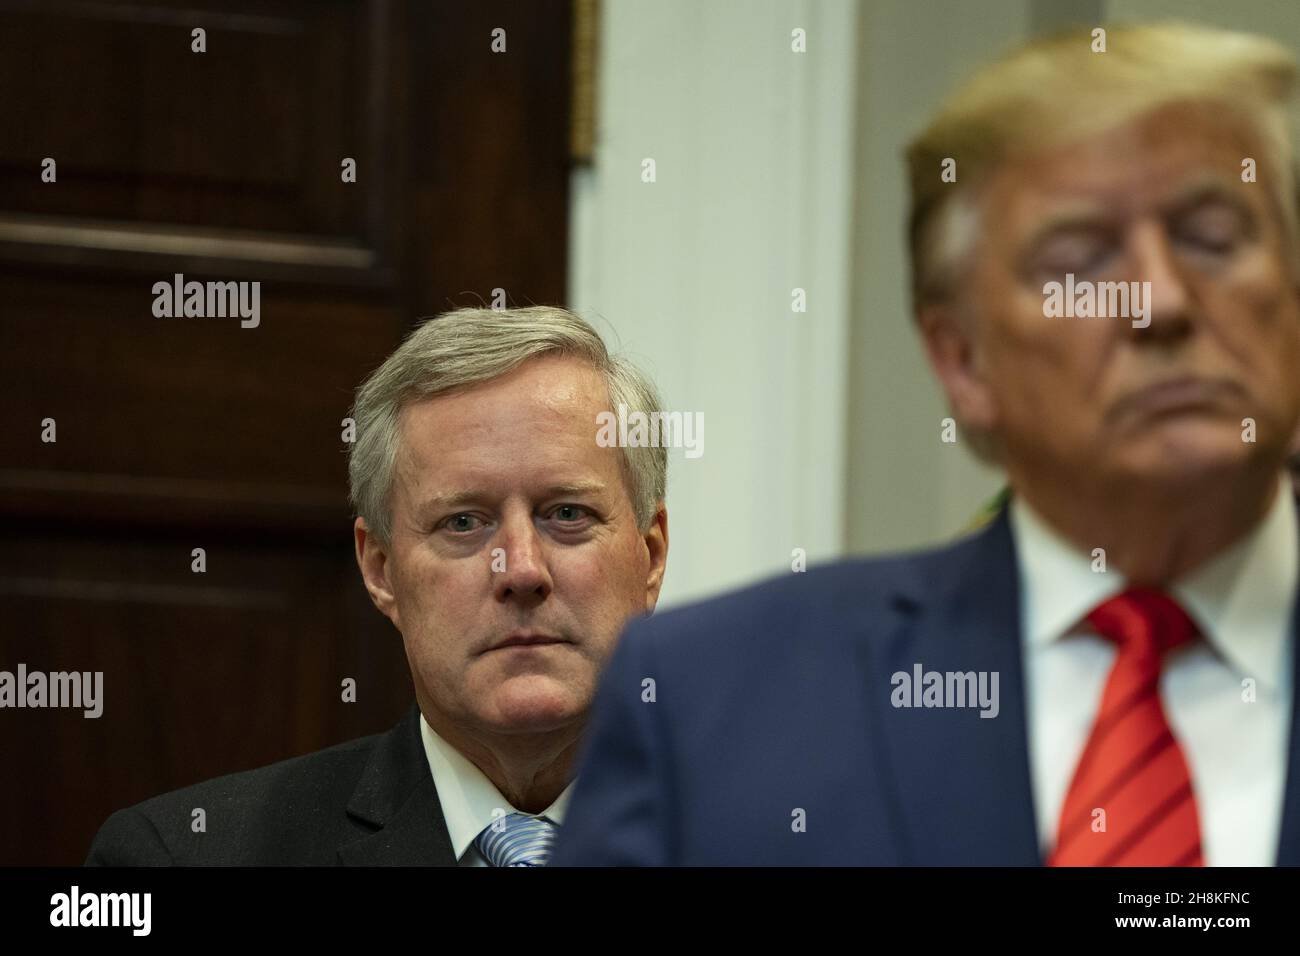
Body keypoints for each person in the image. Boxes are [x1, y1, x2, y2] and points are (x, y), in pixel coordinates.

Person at [552, 21, 1300, 866]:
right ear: (963, 360)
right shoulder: (709, 703)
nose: (1160, 301)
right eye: (1081, 260)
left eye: (1212, 236)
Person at [86, 306, 669, 865]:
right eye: (463, 522)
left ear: (650, 555)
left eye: (567, 514)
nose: (520, 571)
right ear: (381, 571)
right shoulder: (180, 858)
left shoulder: (754, 840)